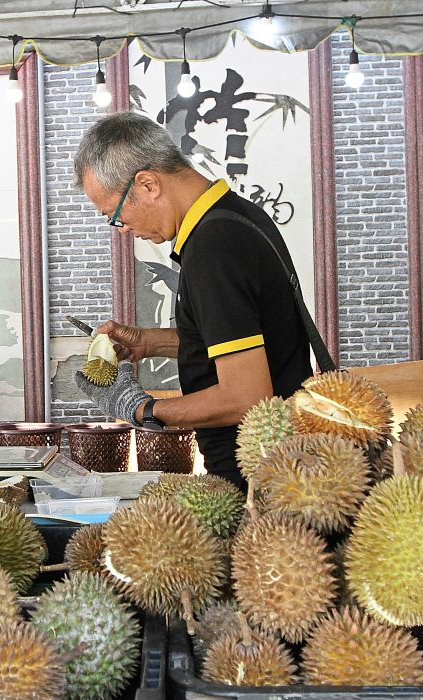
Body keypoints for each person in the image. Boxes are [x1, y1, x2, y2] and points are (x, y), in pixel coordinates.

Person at [74, 111, 316, 491]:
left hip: (255, 482)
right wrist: (150, 342)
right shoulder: (234, 217)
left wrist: (142, 409)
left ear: (148, 184)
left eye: (114, 214)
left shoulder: (214, 248)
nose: (122, 230)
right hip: (277, 467)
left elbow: (247, 397)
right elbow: (248, 340)